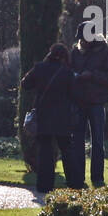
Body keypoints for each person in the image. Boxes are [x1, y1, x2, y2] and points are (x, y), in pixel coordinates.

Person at [21, 43, 85, 195]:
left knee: (45, 152)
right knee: (67, 151)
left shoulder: (40, 68)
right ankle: (74, 183)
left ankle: (44, 186)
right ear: (64, 57)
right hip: (63, 117)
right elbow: (75, 94)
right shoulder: (67, 73)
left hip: (44, 116)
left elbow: (25, 84)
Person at [69, 28, 108, 188]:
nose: (82, 42)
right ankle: (78, 178)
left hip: (97, 101)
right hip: (78, 101)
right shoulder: (75, 52)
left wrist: (92, 75)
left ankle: (97, 178)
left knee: (98, 141)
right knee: (77, 141)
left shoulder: (105, 53)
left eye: (84, 39)